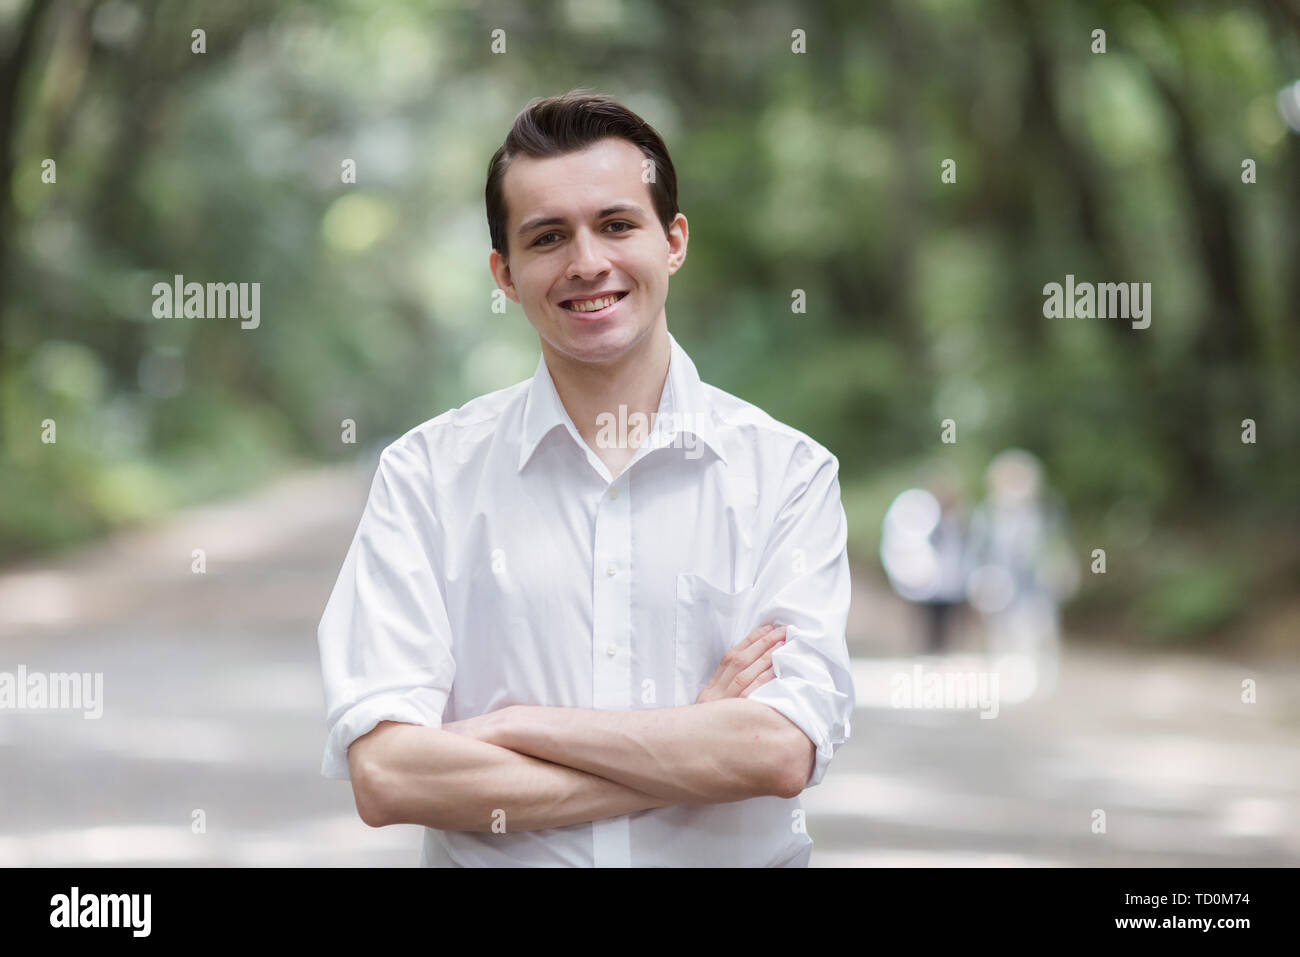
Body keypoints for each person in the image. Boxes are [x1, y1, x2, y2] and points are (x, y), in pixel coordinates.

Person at [315, 91, 855, 867]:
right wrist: (689, 741)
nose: (587, 262)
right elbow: (390, 775)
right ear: (505, 273)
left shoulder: (787, 475)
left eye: (617, 224)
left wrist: (513, 727)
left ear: (673, 241)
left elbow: (775, 752)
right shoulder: (426, 476)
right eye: (548, 237)